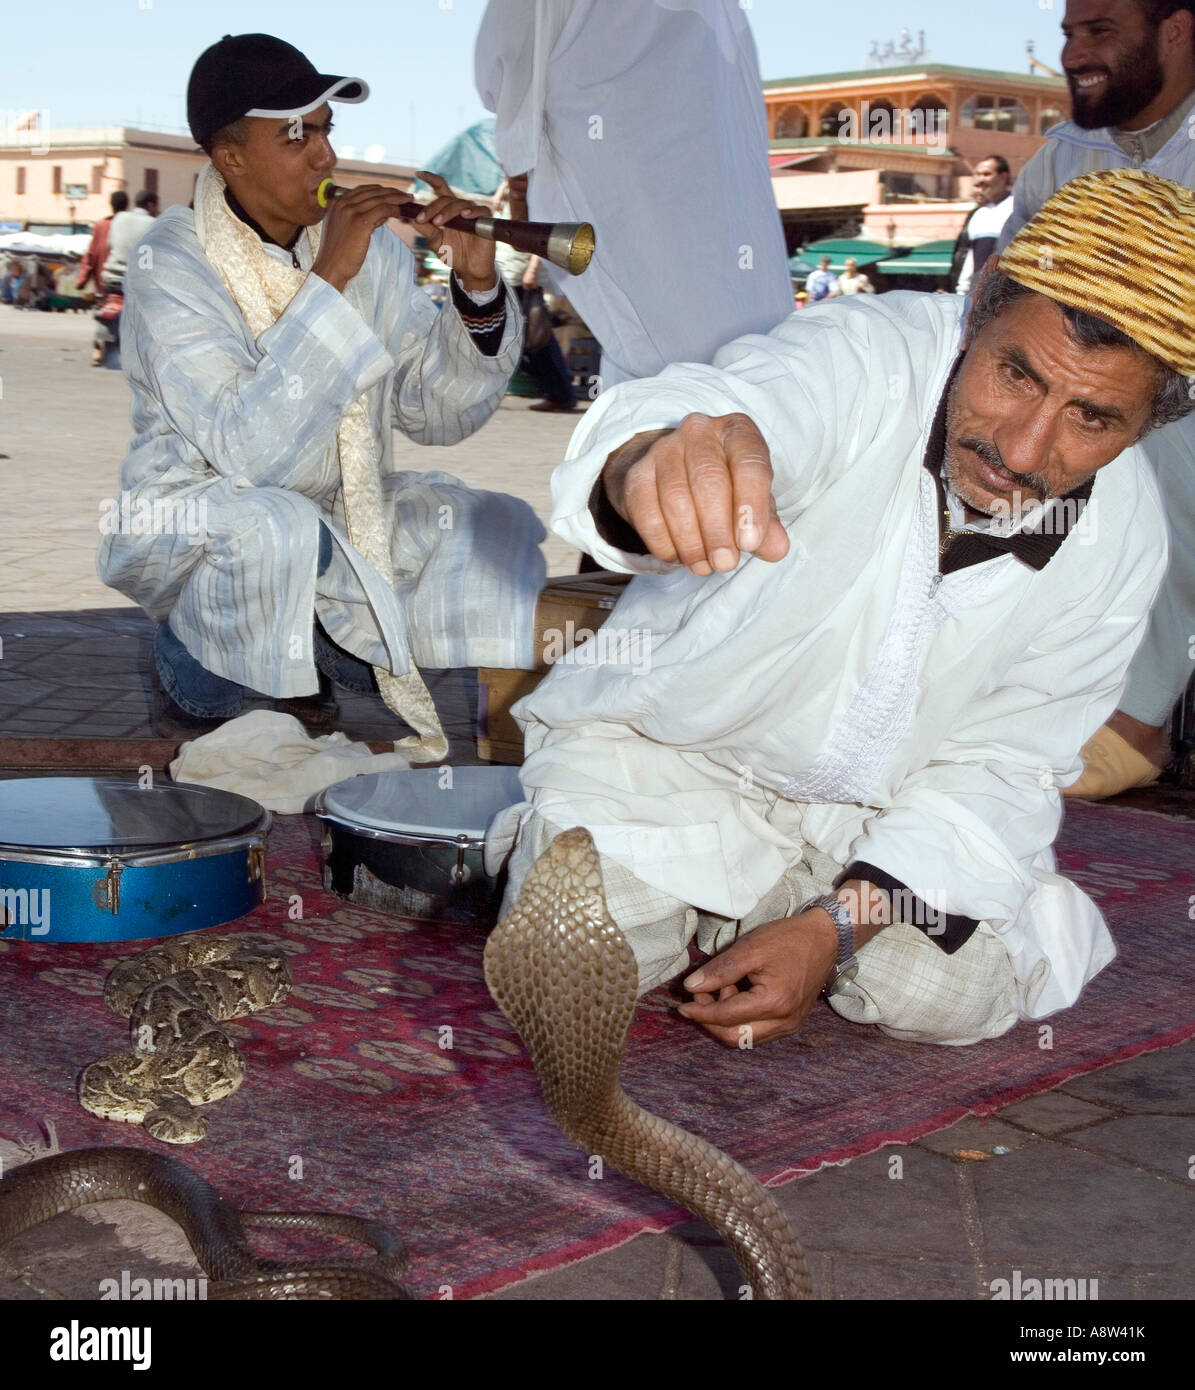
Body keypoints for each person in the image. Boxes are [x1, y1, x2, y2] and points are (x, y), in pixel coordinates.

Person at [493, 169, 1195, 1050]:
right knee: (568, 964)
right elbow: (736, 409)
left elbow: (1002, 765)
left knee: (939, 994)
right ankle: (670, 891)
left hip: (879, 826)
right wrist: (652, 461)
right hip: (669, 770)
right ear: (978, 310)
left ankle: (782, 918)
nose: (1023, 449)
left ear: (1145, 427)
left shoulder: (1120, 536)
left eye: (1092, 418)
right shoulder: (864, 355)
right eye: (1015, 374)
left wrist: (833, 928)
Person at [97, 33, 545, 754]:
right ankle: (200, 666)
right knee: (275, 528)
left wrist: (477, 288)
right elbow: (249, 453)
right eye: (297, 136)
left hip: (340, 520)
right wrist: (329, 280)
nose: (325, 157)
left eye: (326, 130)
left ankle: (324, 654)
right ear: (229, 157)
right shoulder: (170, 259)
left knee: (490, 525)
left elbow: (433, 413)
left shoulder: (371, 255)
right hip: (218, 519)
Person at [996, 0, 1195, 796]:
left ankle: (1136, 717)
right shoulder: (1063, 152)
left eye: (1098, 31)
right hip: (1092, 376)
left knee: (1149, 430)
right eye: (1068, 33)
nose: (1073, 52)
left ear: (1174, 32)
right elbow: (1003, 292)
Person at [475, 0, 794, 389]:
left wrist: (520, 169)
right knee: (722, 377)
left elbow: (502, 65)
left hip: (623, 183)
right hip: (728, 250)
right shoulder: (729, 11)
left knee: (662, 381)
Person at [492, 174, 578, 412]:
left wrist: (532, 269)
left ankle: (561, 393)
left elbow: (541, 230)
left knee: (536, 336)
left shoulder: (531, 184)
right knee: (528, 335)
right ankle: (560, 392)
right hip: (510, 272)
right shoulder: (511, 182)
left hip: (522, 276)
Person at [92, 189, 157, 365]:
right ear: (151, 205)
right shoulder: (154, 223)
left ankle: (98, 348)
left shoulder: (119, 219)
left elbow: (110, 245)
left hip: (111, 278)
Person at [950, 155, 1014, 295]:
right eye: (977, 175)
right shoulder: (978, 215)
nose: (980, 179)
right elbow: (968, 261)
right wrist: (961, 294)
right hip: (977, 300)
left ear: (1004, 177)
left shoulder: (1018, 209)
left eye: (986, 174)